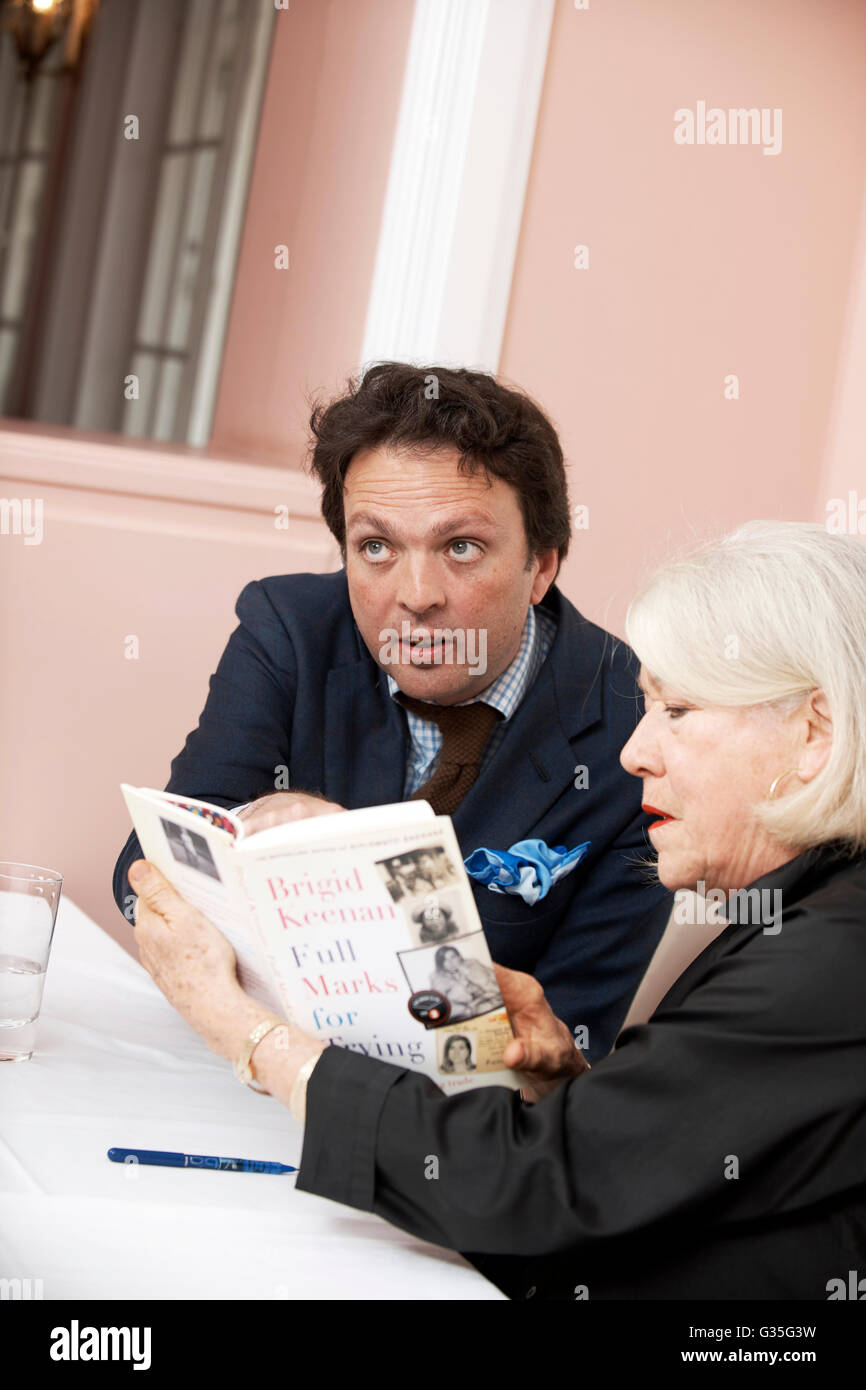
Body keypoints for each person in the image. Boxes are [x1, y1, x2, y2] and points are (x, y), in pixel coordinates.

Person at [130, 521, 866, 1299]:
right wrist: (567, 1085)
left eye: (677, 711)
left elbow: (526, 1192)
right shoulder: (807, 907)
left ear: (814, 732)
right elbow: (660, 1171)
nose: (634, 753)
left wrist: (249, 1033)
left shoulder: (833, 956)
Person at [113, 363, 671, 1060]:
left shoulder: (636, 724)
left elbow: (562, 1047)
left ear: (542, 565)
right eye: (375, 547)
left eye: (461, 547)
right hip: (244, 1066)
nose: (415, 594)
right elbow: (146, 875)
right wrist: (259, 840)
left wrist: (357, 866)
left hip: (460, 1134)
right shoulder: (290, 630)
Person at [428, 944, 502, 1020]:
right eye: (445, 960)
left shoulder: (472, 965)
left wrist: (467, 972)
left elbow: (490, 986)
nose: (450, 962)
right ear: (441, 964)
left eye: (453, 957)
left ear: (459, 956)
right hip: (463, 1012)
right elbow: (443, 1005)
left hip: (490, 1000)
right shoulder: (438, 979)